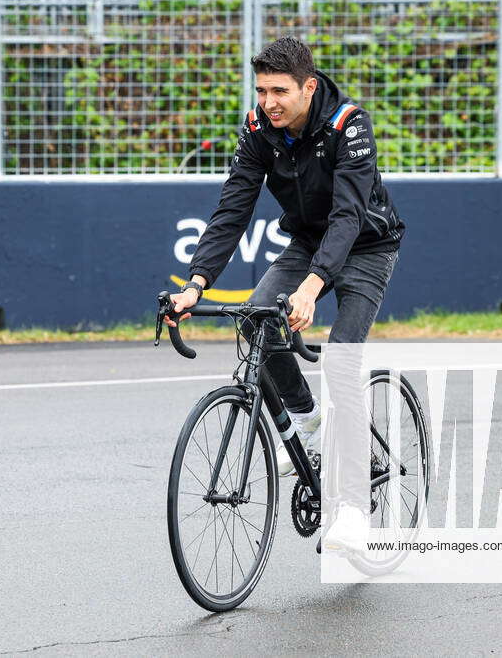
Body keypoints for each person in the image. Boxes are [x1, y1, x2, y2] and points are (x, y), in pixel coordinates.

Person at [165, 36, 405, 552]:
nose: (268, 101)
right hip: (306, 242)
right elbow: (233, 208)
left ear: (308, 86)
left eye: (279, 90)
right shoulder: (258, 129)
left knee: (340, 361)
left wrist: (313, 286)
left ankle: (356, 512)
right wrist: (195, 284)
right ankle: (312, 425)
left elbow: (347, 215)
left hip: (366, 244)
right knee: (255, 321)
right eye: (261, 90)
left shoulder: (348, 124)